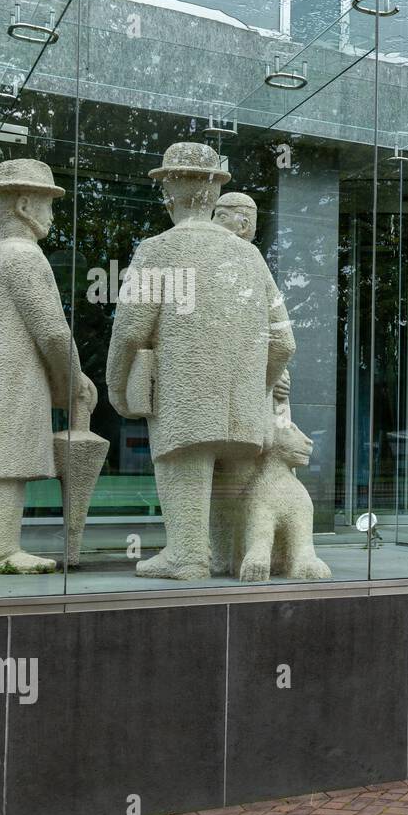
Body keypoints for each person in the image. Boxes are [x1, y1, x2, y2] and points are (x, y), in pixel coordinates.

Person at [107, 143, 295, 580]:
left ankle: (187, 555)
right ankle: (230, 558)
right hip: (245, 414)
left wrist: (117, 386)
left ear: (170, 191)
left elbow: (131, 331)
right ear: (213, 196)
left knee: (184, 468)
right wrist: (259, 387)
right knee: (232, 518)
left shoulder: (156, 250)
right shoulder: (250, 257)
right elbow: (284, 342)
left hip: (184, 406)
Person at [0, 159, 97, 574]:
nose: (51, 215)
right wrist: (75, 378)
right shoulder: (25, 256)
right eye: (47, 205)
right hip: (11, 380)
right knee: (3, 459)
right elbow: (52, 331)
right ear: (23, 206)